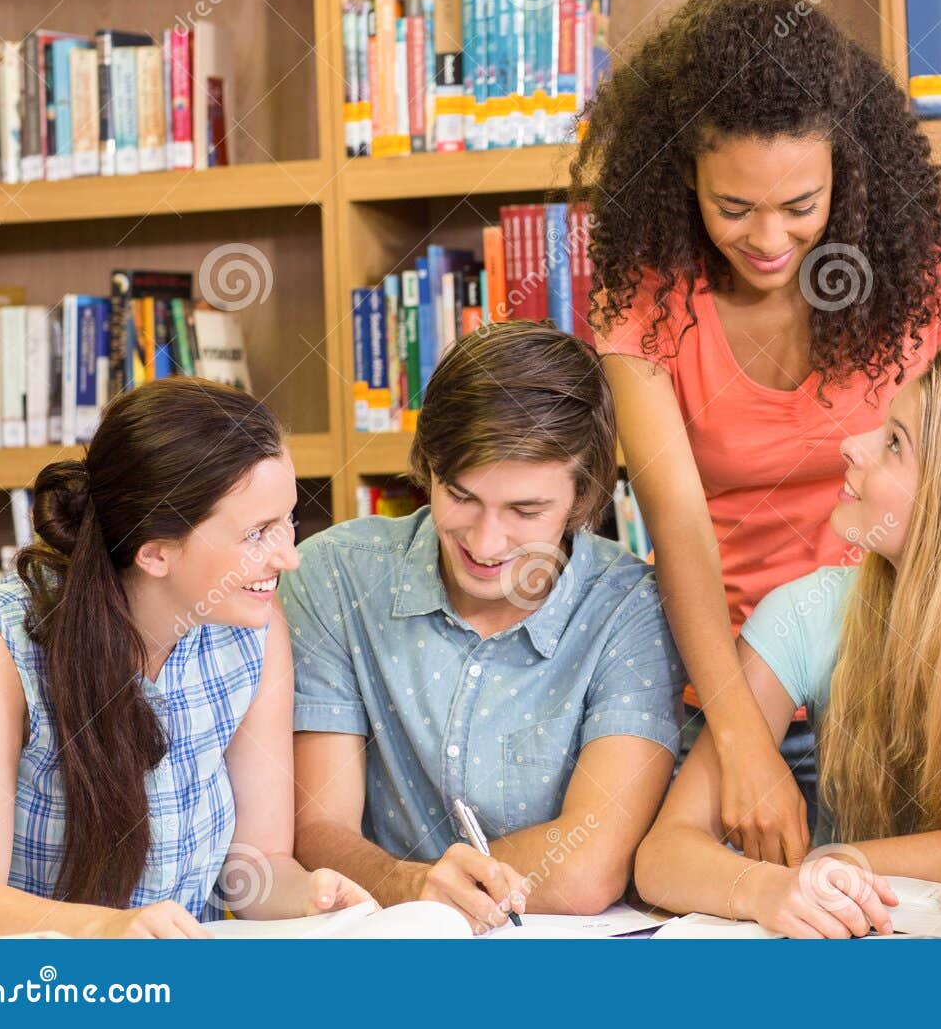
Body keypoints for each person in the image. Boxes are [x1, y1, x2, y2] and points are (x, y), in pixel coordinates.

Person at [576, 0, 941, 866]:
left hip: (910, 685)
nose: (769, 240)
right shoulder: (647, 291)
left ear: (847, 174)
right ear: (679, 177)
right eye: (733, 208)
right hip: (736, 680)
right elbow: (679, 525)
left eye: (799, 207)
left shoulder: (931, 260)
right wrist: (743, 742)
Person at [634, 352, 941, 936]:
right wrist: (769, 890)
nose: (851, 445)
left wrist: (826, 865)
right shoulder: (804, 613)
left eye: (895, 442)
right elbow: (662, 855)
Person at [0, 377, 368, 938]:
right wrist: (110, 931)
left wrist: (308, 895)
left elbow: (253, 868)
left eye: (288, 521)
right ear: (156, 552)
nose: (288, 557)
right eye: (257, 533)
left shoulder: (255, 631)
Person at [286, 321, 684, 933]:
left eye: (526, 511)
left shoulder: (631, 606)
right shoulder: (334, 575)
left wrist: (426, 887)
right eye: (461, 495)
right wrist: (413, 885)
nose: (485, 541)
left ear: (582, 500)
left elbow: (585, 872)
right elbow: (316, 830)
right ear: (426, 468)